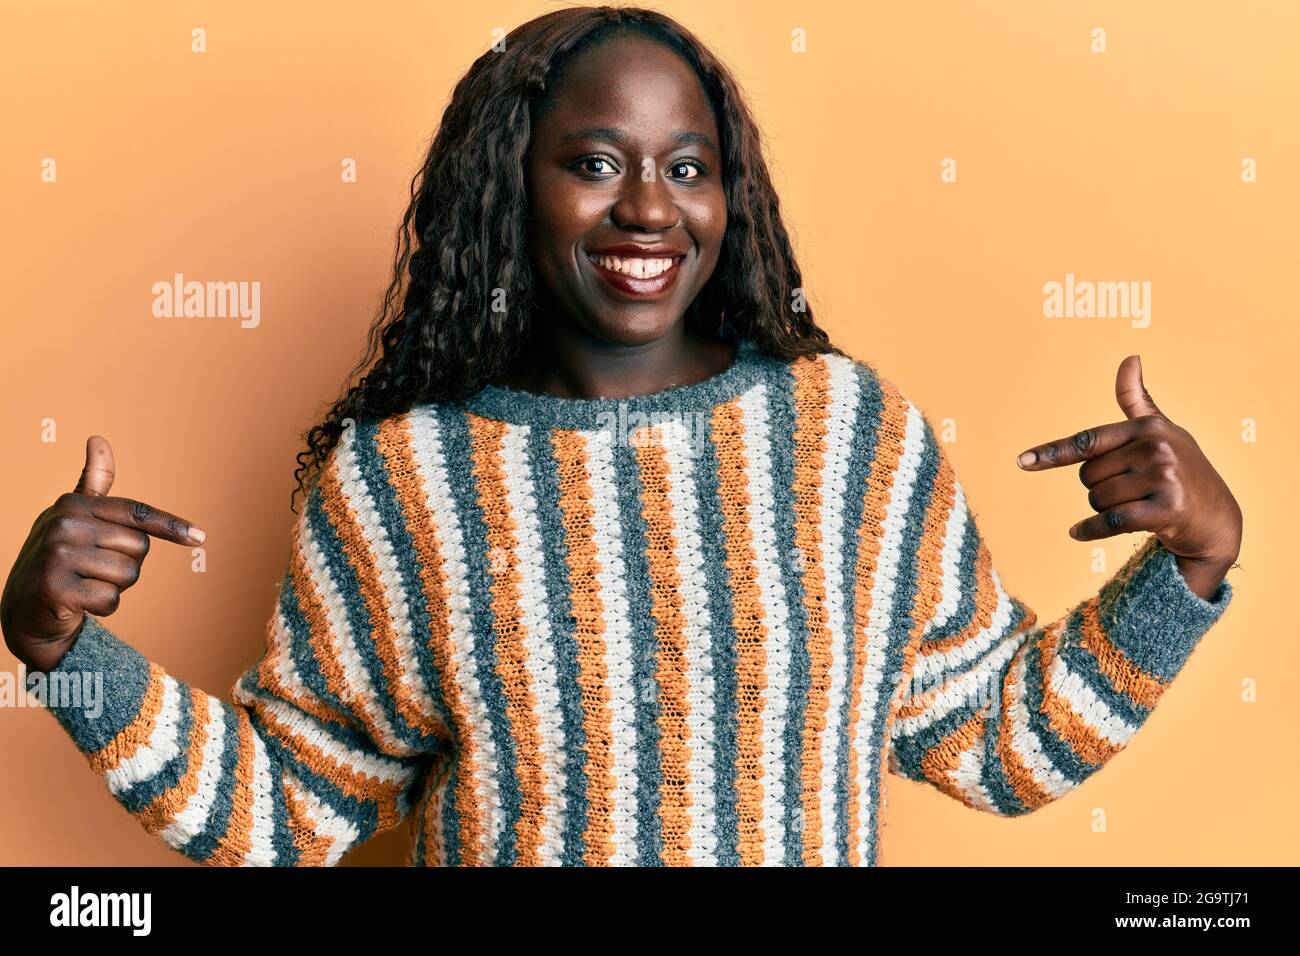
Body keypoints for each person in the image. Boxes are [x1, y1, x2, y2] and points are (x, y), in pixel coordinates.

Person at [1, 6, 1240, 867]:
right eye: (593, 161)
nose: (647, 205)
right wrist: (61, 647)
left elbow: (1001, 740)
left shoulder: (847, 435)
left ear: (725, 194)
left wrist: (1190, 562)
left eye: (685, 167)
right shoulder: (401, 479)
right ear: (510, 183)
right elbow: (283, 810)